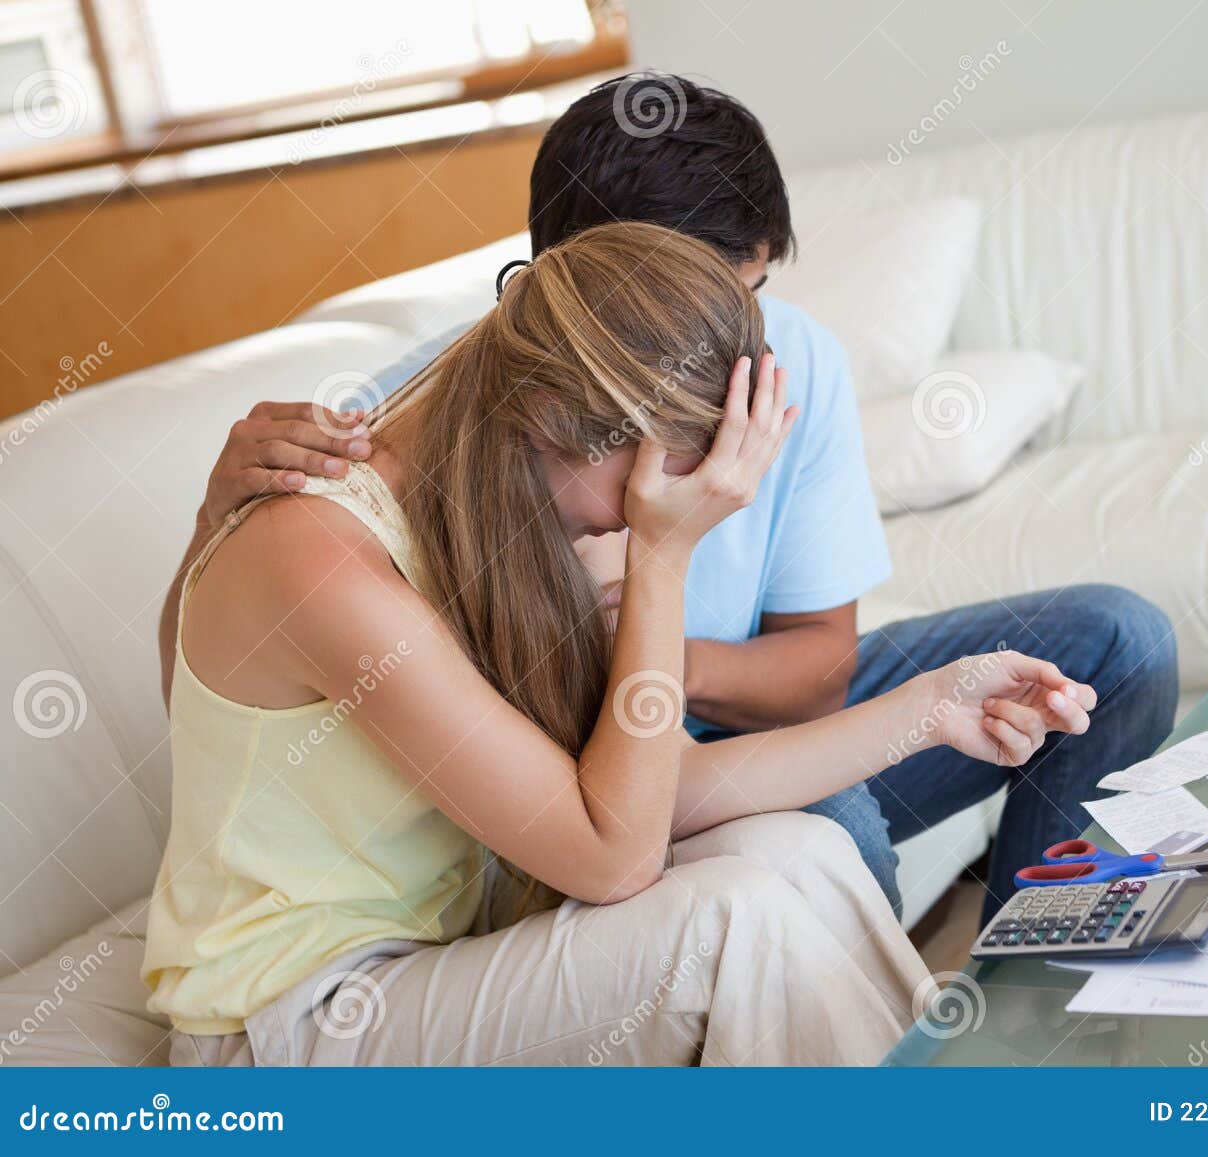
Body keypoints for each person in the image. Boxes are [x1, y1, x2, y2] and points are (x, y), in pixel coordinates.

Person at [166, 74, 1178, 926]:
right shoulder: (459, 426)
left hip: (696, 706)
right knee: (833, 822)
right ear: (586, 313)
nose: (744, 347)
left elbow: (818, 667)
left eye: (752, 294)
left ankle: (1033, 993)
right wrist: (225, 520)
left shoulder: (789, 361)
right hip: (588, 766)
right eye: (703, 314)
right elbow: (229, 669)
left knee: (1114, 640)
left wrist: (646, 645)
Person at [147, 222, 1096, 1067]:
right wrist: (661, 555)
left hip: (432, 962)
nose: (657, 512)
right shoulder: (322, 558)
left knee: (796, 853)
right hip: (282, 1026)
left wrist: (930, 709)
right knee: (734, 924)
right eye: (668, 476)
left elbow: (661, 791)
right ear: (574, 422)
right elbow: (613, 857)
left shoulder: (493, 514)